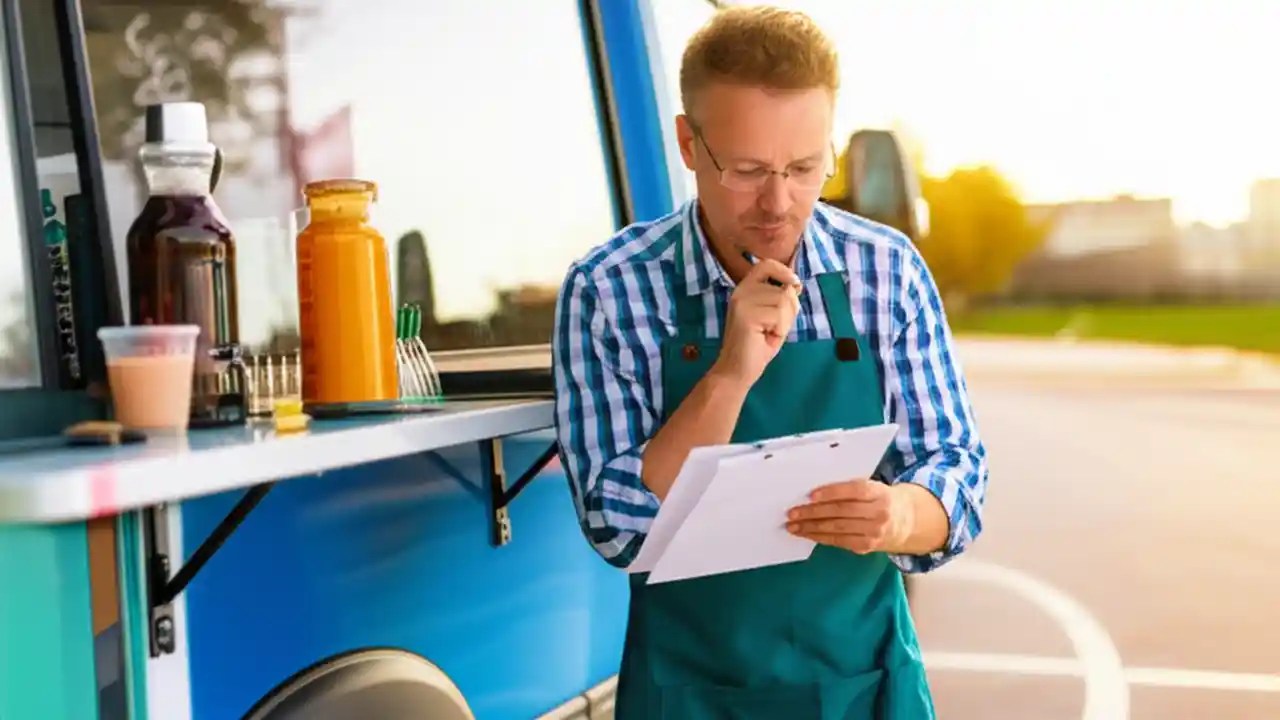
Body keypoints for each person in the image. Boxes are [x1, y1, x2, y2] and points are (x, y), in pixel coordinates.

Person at [551, 6, 988, 718]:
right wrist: (729, 374)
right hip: (688, 695)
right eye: (748, 169)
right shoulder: (608, 289)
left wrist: (897, 515)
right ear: (689, 144)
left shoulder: (886, 271)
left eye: (805, 167)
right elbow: (617, 526)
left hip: (864, 687)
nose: (779, 202)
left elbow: (957, 470)